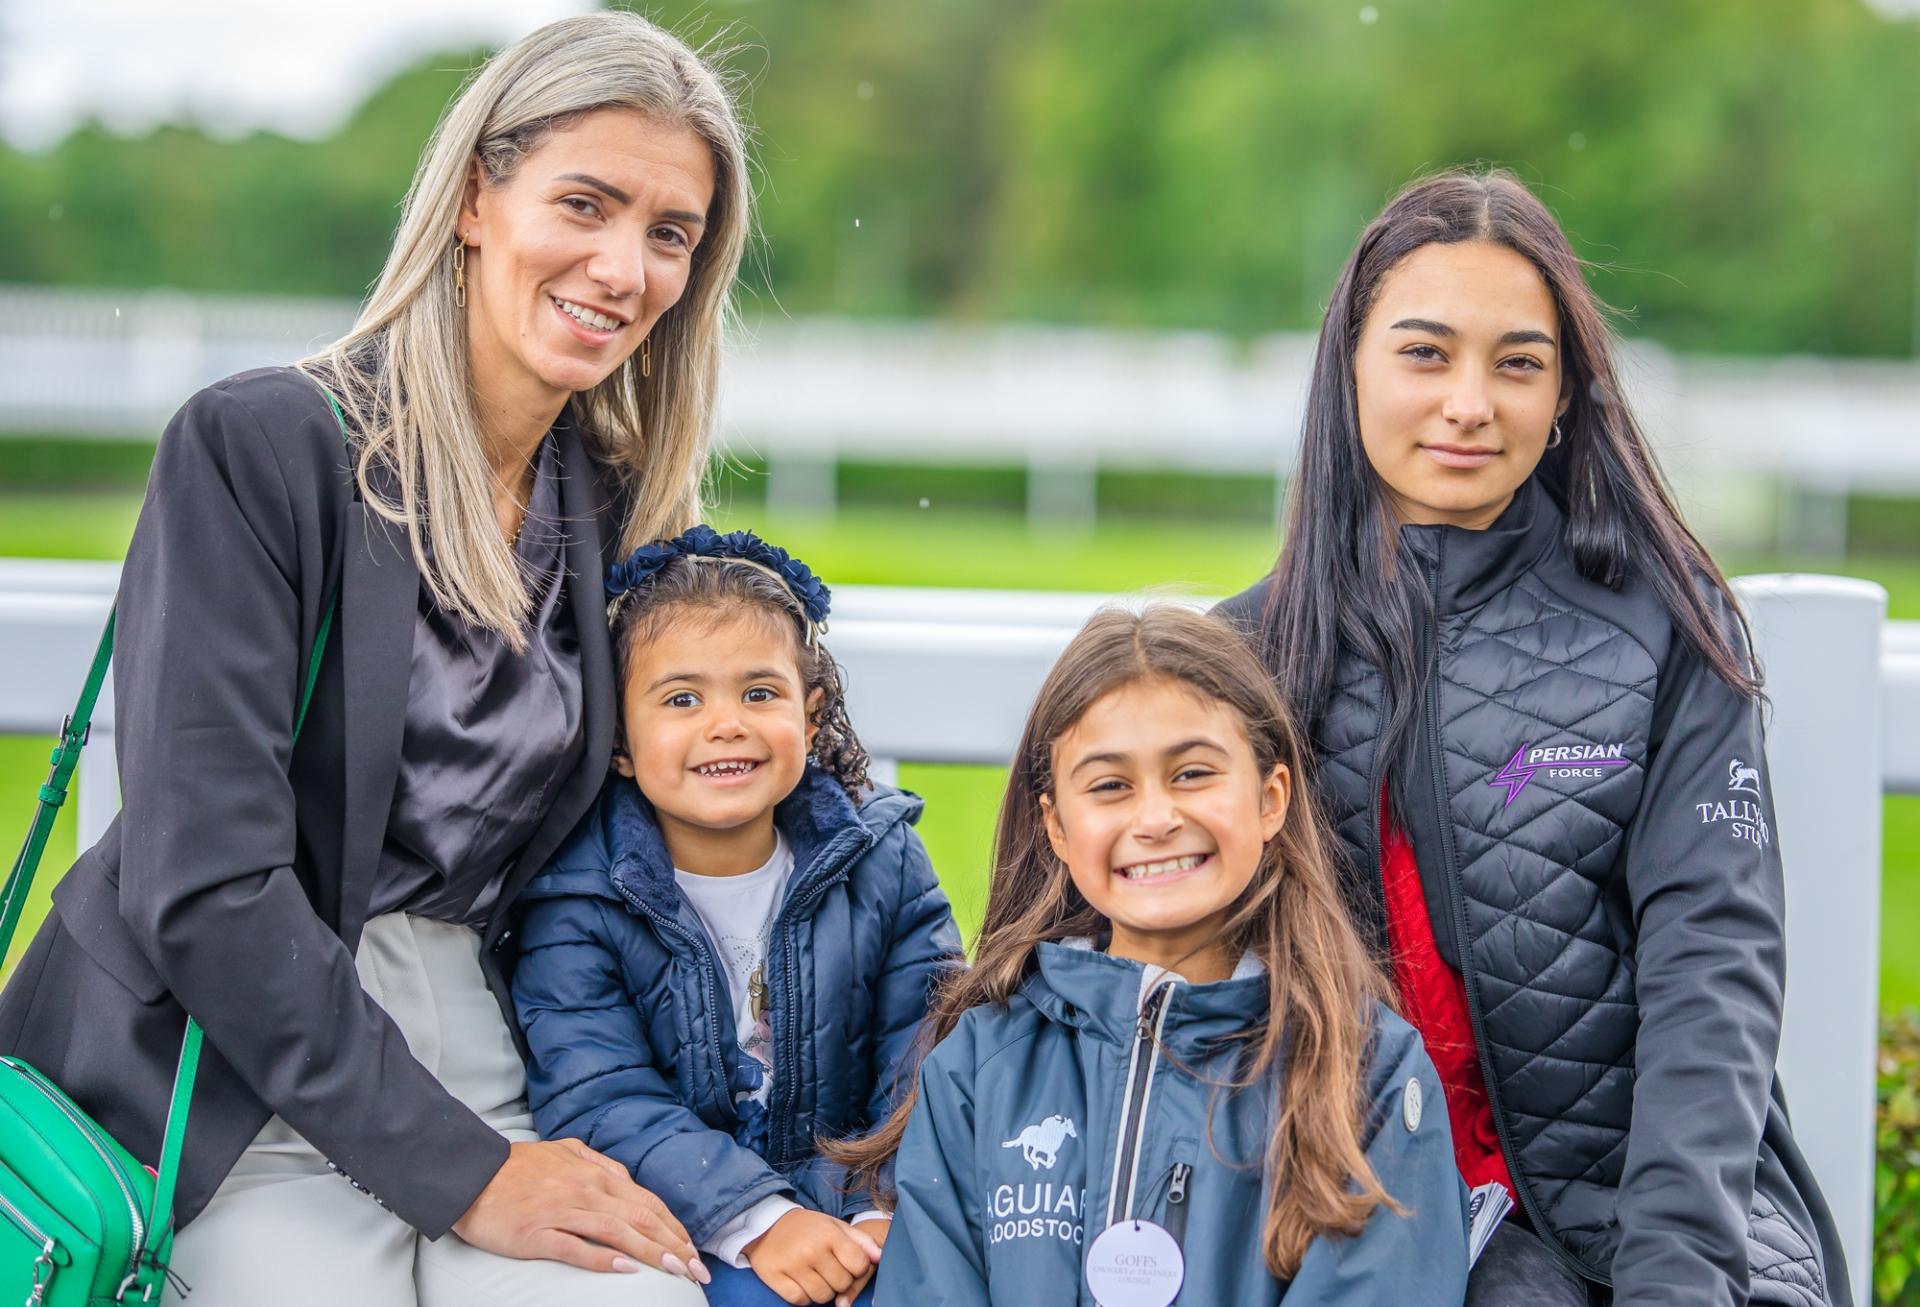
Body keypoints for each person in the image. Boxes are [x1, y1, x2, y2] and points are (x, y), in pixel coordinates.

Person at [0, 12, 755, 1305]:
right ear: (476, 196)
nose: (623, 266)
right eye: (586, 202)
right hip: (226, 1075)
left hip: (497, 1054)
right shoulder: (263, 447)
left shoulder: (621, 508)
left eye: (670, 231)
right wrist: (465, 1174)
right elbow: (208, 882)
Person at [1217, 169, 1847, 1307]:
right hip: (1358, 1238)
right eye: (1424, 353)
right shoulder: (1244, 658)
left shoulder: (1668, 632)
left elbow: (1714, 978)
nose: (1471, 402)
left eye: (1518, 362)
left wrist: (1674, 1277)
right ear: (1348, 365)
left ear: (1563, 394)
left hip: (1653, 1235)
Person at [840, 604, 1470, 1306]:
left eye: (1193, 773)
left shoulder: (1366, 1068)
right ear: (1055, 824)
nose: (1155, 818)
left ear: (1271, 798)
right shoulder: (978, 1064)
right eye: (1110, 785)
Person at [511, 526, 964, 1307]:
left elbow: (926, 1048)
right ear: (618, 740)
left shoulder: (882, 860)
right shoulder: (579, 893)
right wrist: (763, 1219)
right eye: (682, 698)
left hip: (860, 1208)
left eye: (760, 693)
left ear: (811, 715)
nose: (727, 722)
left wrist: (882, 1205)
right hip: (693, 1222)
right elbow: (598, 1093)